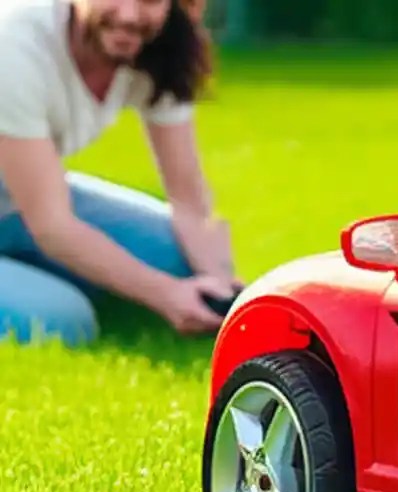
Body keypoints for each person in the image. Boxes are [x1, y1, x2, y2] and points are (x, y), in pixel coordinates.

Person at [0, 0, 238, 347]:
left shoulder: (160, 49)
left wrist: (222, 286)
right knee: (63, 321)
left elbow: (189, 200)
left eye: (149, 0)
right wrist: (166, 295)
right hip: (34, 209)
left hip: (19, 200)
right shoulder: (14, 45)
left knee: (179, 256)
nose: (129, 16)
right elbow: (51, 226)